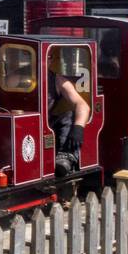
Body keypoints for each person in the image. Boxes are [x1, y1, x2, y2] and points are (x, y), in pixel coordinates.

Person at [48, 48, 92, 176]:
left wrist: (78, 128)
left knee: (69, 115)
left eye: (48, 57)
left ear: (50, 60)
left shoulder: (58, 81)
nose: (45, 61)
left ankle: (65, 156)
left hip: (46, 124)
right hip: (20, 125)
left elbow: (82, 105)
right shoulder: (15, 78)